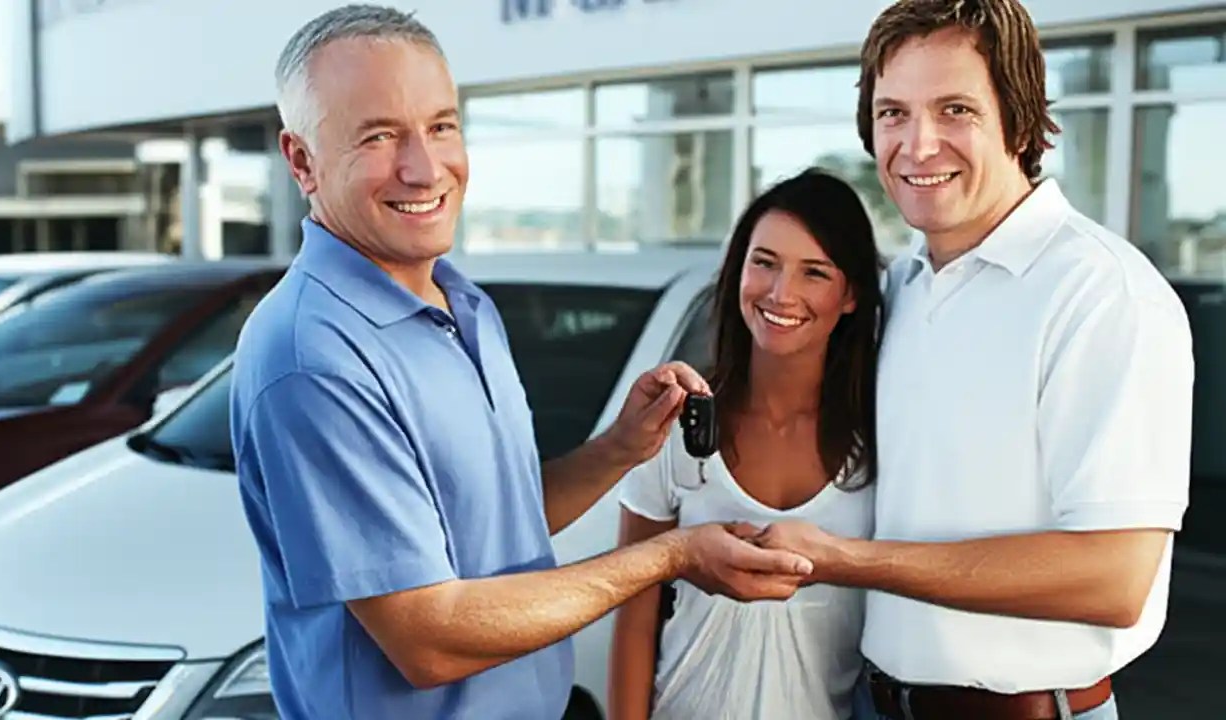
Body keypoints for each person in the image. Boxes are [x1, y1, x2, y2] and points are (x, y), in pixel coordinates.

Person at [227, 5, 814, 720]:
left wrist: (617, 450)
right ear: (301, 161)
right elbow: (428, 638)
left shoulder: (462, 303)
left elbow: (496, 524)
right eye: (379, 136)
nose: (423, 167)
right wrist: (672, 557)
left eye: (441, 126)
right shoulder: (312, 356)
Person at [741, 2, 1196, 719]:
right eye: (893, 113)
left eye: (955, 109)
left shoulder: (1100, 292)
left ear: (1019, 118)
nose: (918, 146)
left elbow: (1113, 578)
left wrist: (840, 559)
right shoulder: (905, 286)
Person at [607, 167, 886, 720]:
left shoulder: (880, 441)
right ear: (738, 271)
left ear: (850, 294)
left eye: (814, 273)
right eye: (764, 263)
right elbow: (633, 612)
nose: (781, 293)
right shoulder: (675, 423)